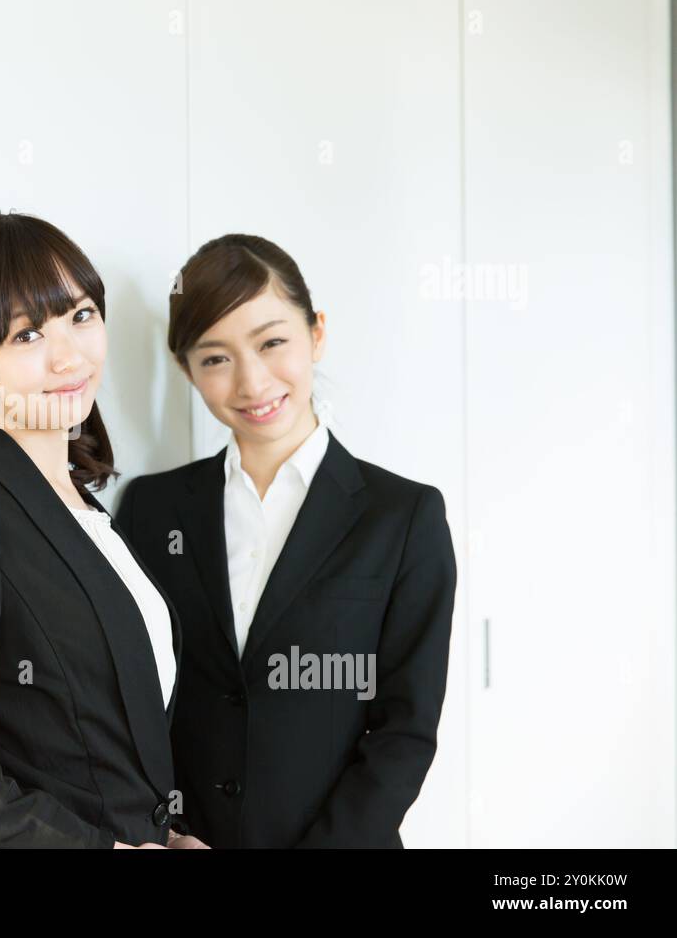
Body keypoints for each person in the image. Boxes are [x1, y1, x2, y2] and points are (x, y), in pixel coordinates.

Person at [115, 234, 457, 847]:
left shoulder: (403, 517)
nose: (251, 382)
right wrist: (164, 832)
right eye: (215, 358)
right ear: (186, 369)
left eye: (272, 342)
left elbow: (405, 732)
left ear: (316, 333)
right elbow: (131, 700)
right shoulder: (149, 509)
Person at [0, 211, 209, 848]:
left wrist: (168, 836)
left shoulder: (85, 509)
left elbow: (100, 746)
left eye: (81, 316)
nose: (69, 357)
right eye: (27, 335)